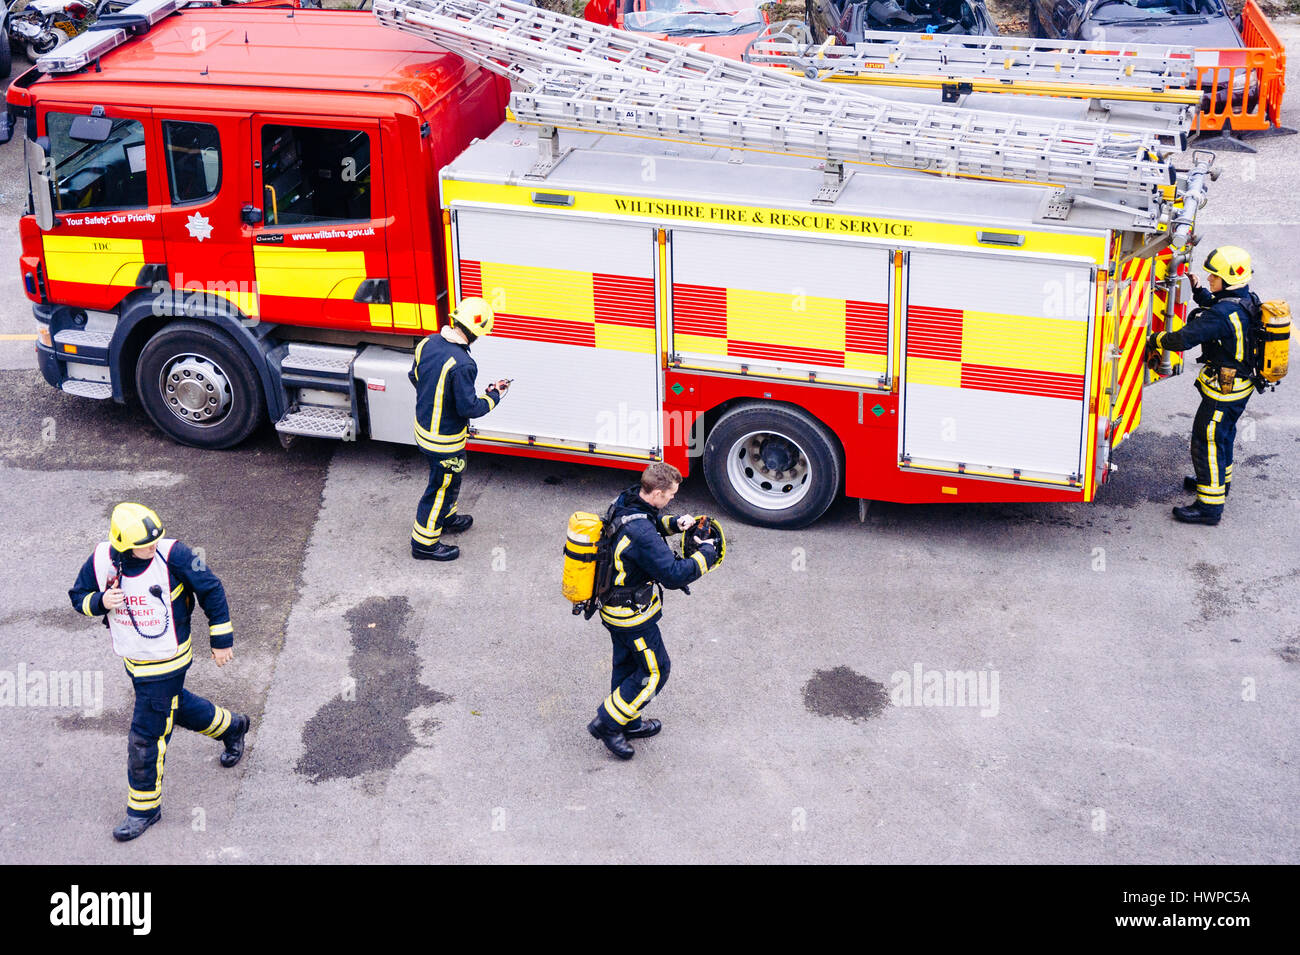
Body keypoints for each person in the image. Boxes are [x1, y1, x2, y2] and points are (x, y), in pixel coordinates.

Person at [68, 503, 249, 842]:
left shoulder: (177, 554)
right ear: (122, 543)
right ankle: (232, 726)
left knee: (146, 735)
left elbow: (211, 588)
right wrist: (101, 602)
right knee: (171, 707)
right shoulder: (101, 560)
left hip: (169, 662)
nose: (151, 548)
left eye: (155, 541)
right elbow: (78, 597)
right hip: (135, 661)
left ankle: (143, 809)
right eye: (143, 545)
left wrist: (221, 639)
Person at [587, 462, 721, 760]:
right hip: (632, 617)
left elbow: (648, 520)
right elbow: (674, 574)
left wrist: (675, 524)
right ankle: (607, 725)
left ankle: (628, 721)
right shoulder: (642, 535)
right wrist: (707, 554)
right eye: (670, 496)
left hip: (611, 607)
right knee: (655, 670)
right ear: (657, 492)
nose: (672, 500)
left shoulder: (628, 499)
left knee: (627, 666)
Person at [1147, 245, 1257, 526]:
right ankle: (1220, 482)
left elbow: (1184, 338)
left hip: (1224, 391)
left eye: (1214, 277)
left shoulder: (1221, 316)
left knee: (1206, 438)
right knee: (1223, 434)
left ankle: (1209, 506)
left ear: (1228, 280)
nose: (1209, 279)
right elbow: (1220, 306)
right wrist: (1199, 291)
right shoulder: (1246, 300)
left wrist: (1156, 339)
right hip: (1238, 388)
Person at [409, 297, 510, 562]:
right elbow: (469, 408)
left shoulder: (427, 342)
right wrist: (495, 396)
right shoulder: (463, 364)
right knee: (440, 487)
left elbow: (415, 376)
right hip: (445, 442)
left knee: (450, 477)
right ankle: (424, 544)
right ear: (477, 332)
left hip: (424, 430)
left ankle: (447, 517)